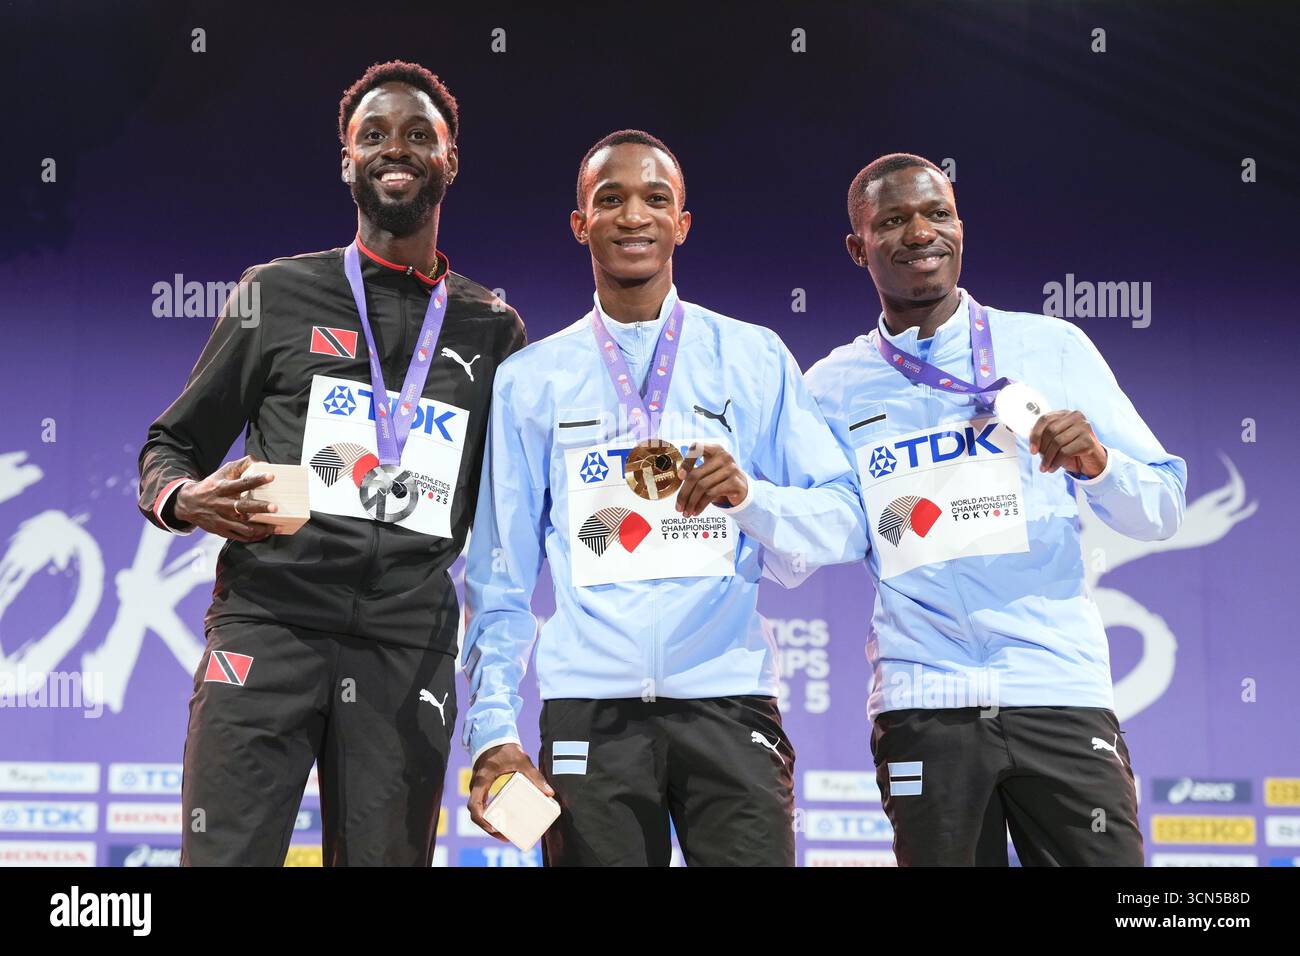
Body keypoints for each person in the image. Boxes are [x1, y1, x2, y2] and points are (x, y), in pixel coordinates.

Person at [137, 60, 525, 866]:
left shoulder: (493, 330)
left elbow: (504, 525)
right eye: (373, 135)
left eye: (421, 135)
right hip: (268, 626)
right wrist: (186, 499)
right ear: (347, 160)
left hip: (406, 646)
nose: (397, 149)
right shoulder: (274, 294)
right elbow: (170, 444)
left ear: (450, 160)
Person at [460, 130, 860, 866]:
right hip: (590, 715)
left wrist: (751, 499)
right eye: (608, 200)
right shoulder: (532, 379)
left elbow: (846, 518)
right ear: (581, 223)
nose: (632, 216)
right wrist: (492, 730)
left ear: (683, 223)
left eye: (656, 199)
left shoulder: (754, 355)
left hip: (728, 702)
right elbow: (499, 581)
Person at [798, 152, 1186, 865]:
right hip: (923, 702)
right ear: (859, 248)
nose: (921, 233)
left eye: (937, 213)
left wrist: (1100, 463)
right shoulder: (827, 388)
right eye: (893, 221)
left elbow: (1161, 508)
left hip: (1056, 690)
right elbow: (812, 538)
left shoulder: (1050, 346)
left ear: (960, 227)